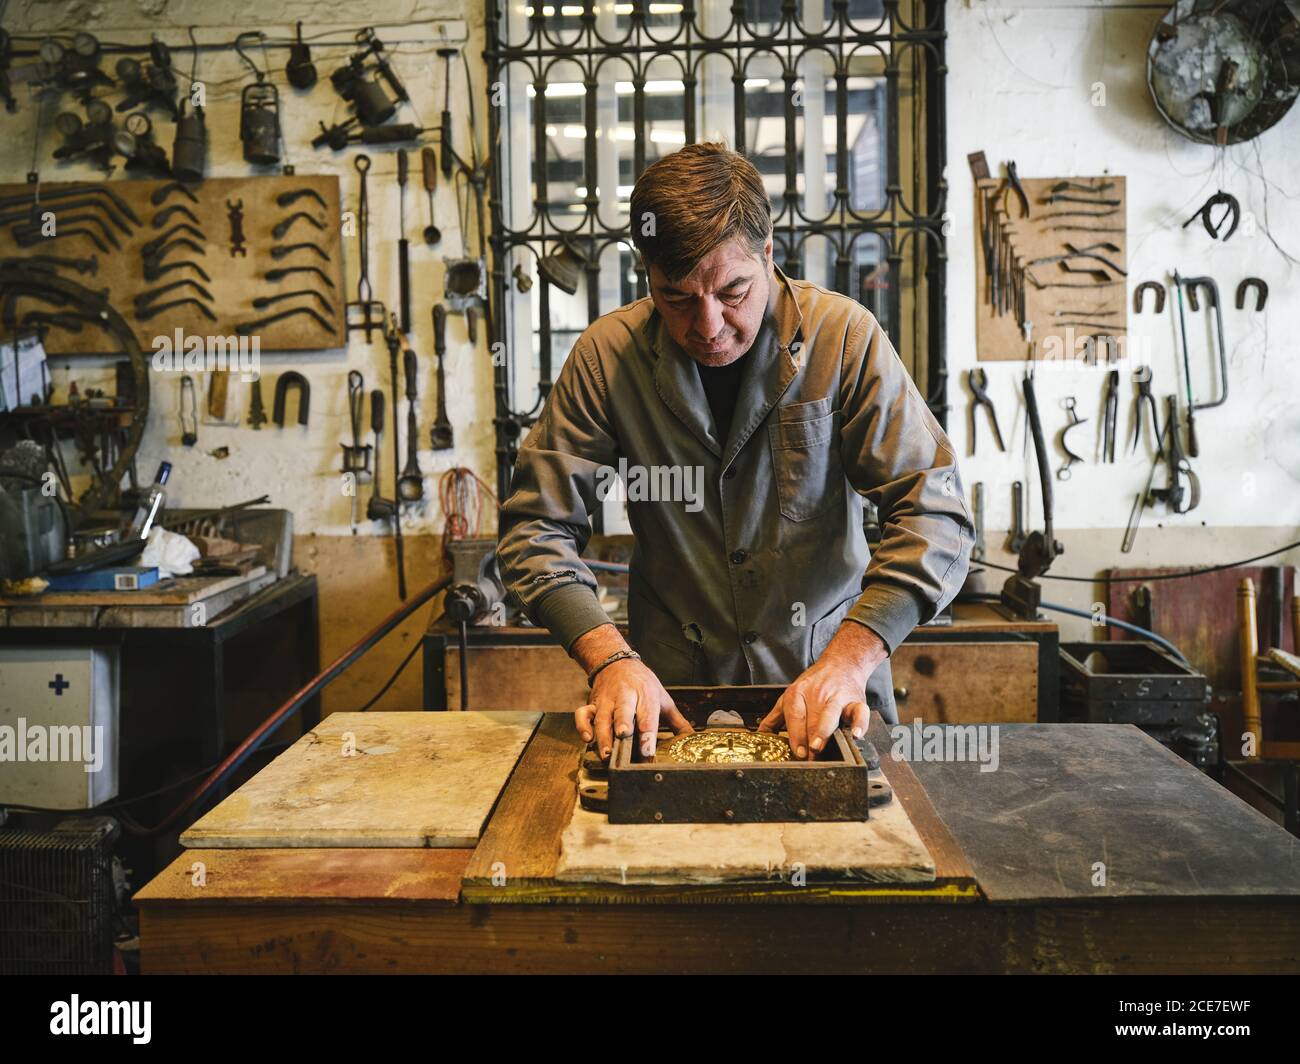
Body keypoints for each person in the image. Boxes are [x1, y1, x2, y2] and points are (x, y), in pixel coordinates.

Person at [497, 142, 973, 761]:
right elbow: (536, 527)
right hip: (669, 701)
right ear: (647, 274)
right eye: (677, 298)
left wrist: (853, 656)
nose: (709, 326)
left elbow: (935, 513)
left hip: (825, 690)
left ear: (768, 254)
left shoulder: (844, 340)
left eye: (732, 291)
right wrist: (609, 658)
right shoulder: (607, 357)